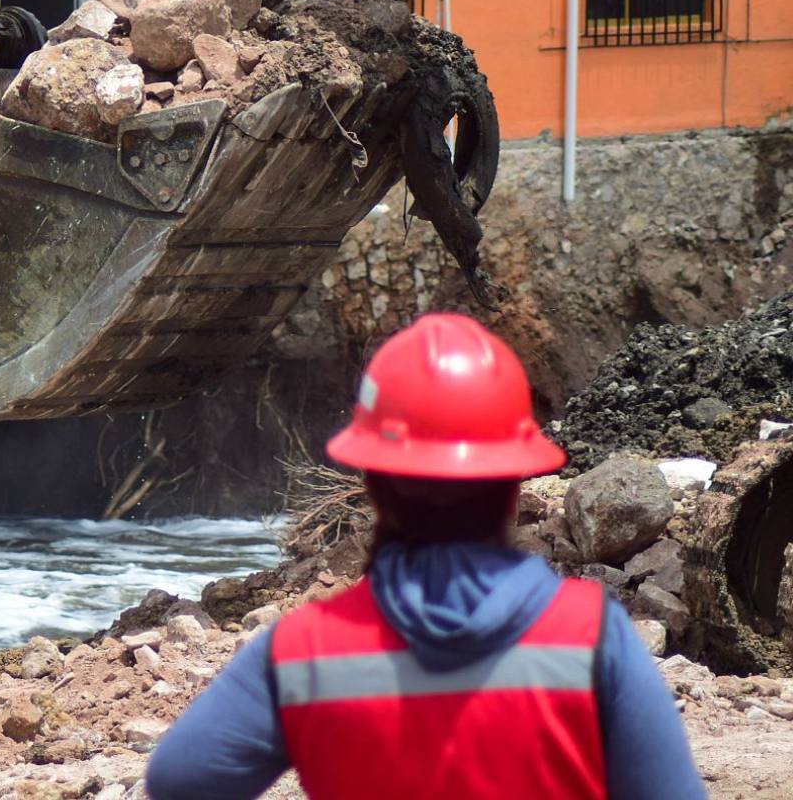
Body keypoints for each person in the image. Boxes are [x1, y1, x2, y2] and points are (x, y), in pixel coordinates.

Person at [143, 313, 704, 800]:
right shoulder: (592, 638)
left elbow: (180, 778)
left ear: (372, 485)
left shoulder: (304, 653)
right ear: (512, 488)